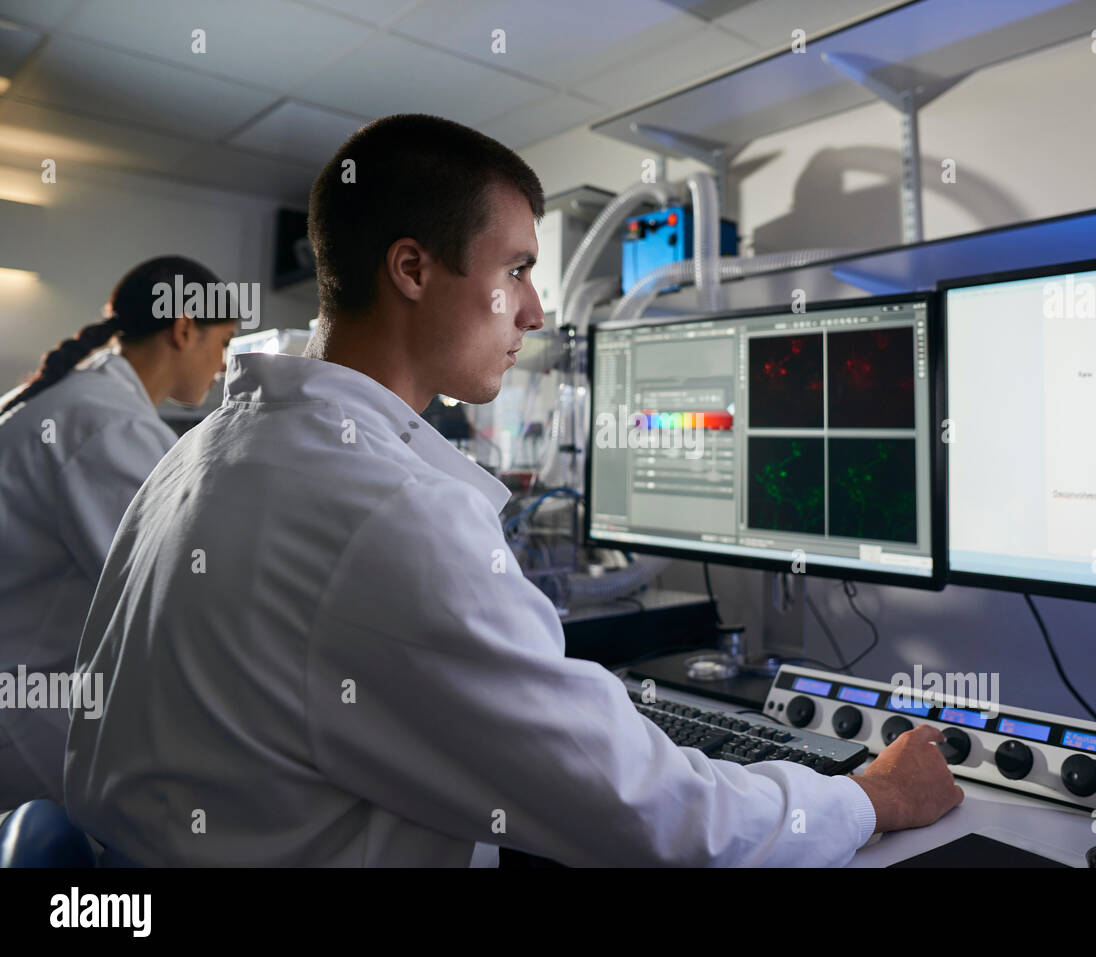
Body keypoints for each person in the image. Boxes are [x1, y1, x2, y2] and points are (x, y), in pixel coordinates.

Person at [65, 114, 962, 866]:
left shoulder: (206, 449)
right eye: (517, 271)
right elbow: (657, 819)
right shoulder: (387, 510)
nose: (534, 312)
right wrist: (867, 797)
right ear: (412, 269)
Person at [0, 256, 236, 809]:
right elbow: (165, 592)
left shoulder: (78, 400)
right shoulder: (110, 424)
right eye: (223, 343)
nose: (224, 365)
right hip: (25, 711)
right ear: (184, 329)